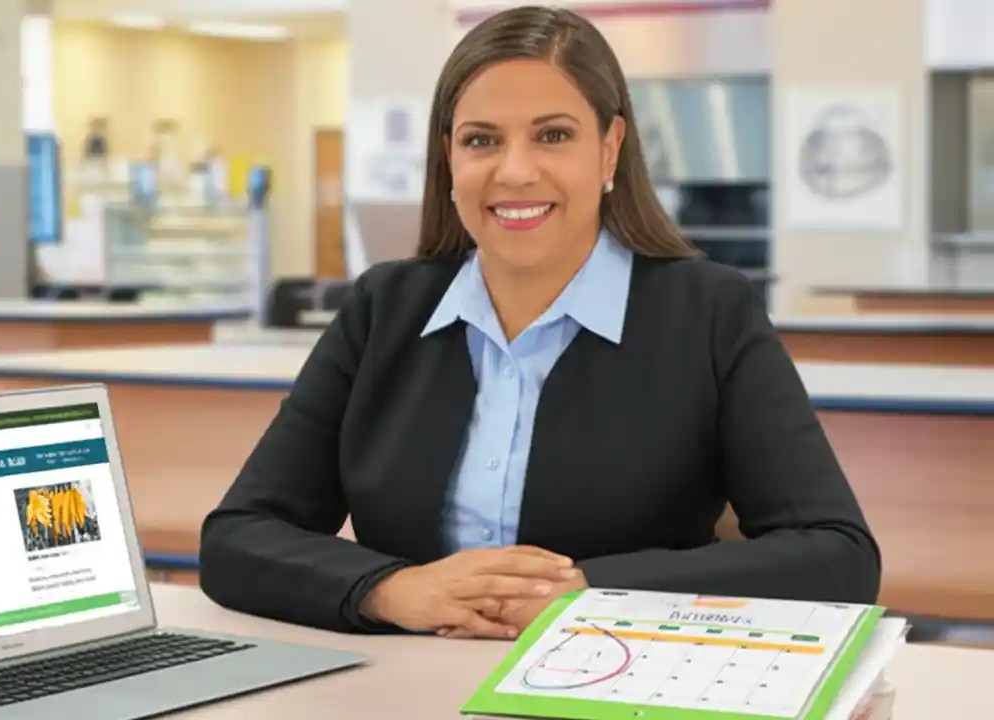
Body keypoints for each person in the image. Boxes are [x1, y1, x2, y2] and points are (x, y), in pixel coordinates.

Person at [199, 5, 880, 640]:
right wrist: (392, 590)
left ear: (610, 148)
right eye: (481, 140)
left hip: (615, 684)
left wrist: (587, 594)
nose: (515, 170)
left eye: (553, 135)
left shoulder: (707, 312)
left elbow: (837, 557)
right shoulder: (384, 308)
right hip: (403, 686)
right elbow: (238, 537)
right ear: (450, 157)